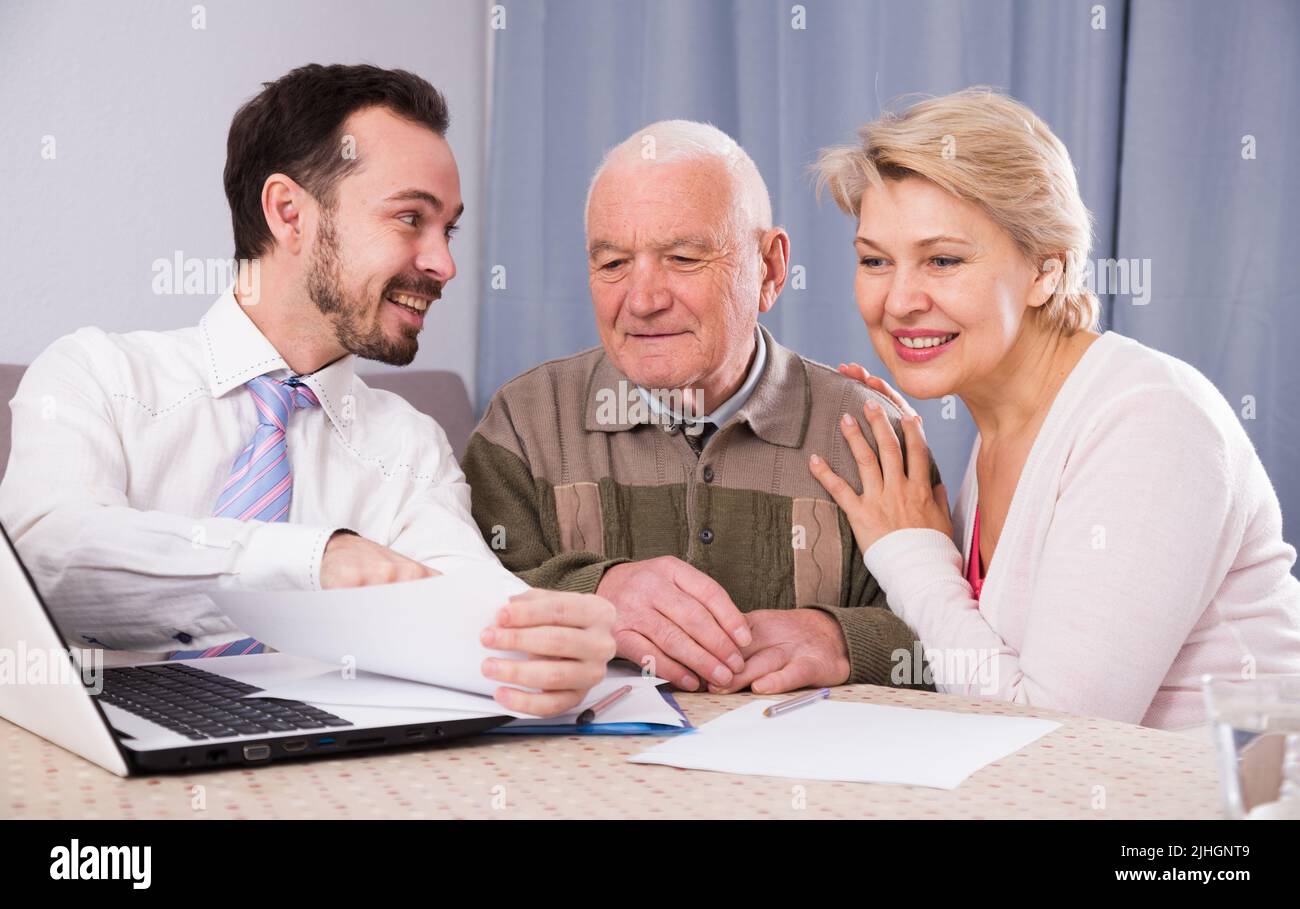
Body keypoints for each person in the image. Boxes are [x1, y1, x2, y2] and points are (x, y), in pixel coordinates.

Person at [0, 64, 615, 718]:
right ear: (289, 213)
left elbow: (472, 603)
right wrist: (314, 563)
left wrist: (543, 646)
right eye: (411, 218)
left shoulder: (408, 443)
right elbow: (45, 560)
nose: (444, 264)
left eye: (449, 229)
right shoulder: (95, 375)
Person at [808, 87, 1300, 729]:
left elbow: (1055, 729)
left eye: (943, 260)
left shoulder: (1151, 422)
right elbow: (985, 672)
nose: (899, 300)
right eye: (875, 260)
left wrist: (911, 550)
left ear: (1046, 271)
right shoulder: (1002, 421)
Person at [462, 120, 931, 697]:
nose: (643, 300)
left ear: (771, 268)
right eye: (612, 264)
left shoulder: (872, 438)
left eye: (683, 257)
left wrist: (842, 638)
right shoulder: (523, 424)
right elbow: (465, 608)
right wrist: (595, 592)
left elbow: (954, 643)